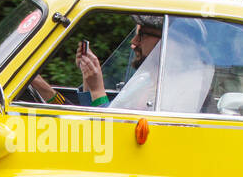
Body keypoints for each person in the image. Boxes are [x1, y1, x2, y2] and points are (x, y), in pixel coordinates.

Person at [29, 14, 162, 108]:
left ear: (164, 41)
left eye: (142, 35)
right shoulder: (143, 81)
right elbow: (89, 117)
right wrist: (88, 79)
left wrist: (97, 90)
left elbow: (107, 132)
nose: (133, 42)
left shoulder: (163, 91)